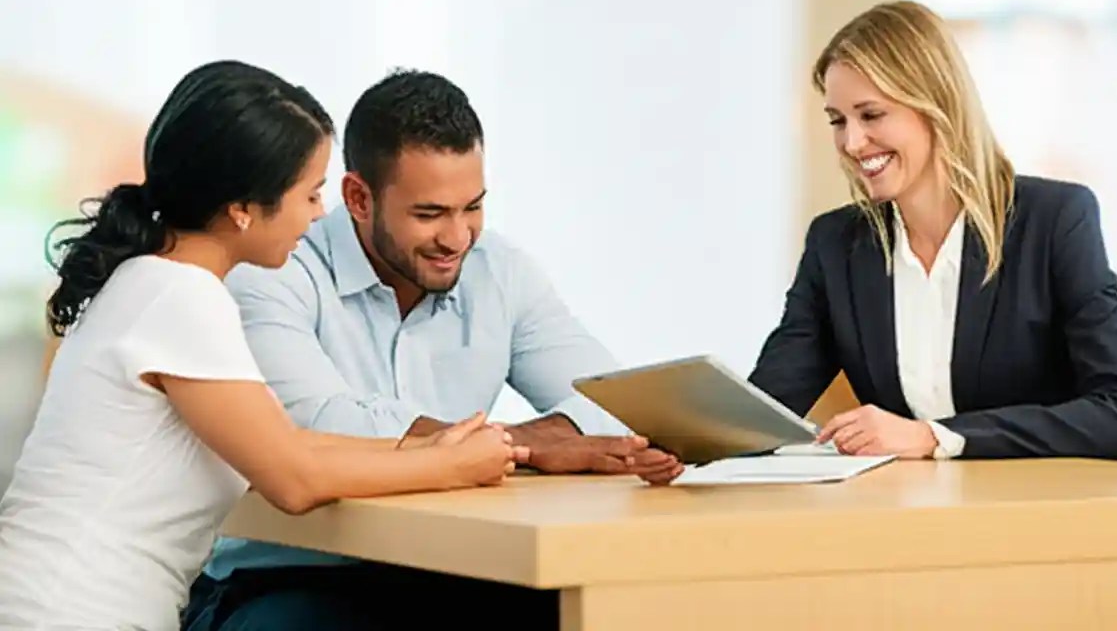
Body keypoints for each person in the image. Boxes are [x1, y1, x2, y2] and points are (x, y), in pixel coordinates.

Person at [0, 61, 523, 631]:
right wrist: (448, 465)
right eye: (310, 194)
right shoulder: (180, 297)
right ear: (242, 208)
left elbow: (284, 444)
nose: (319, 215)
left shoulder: (157, 283)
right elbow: (292, 479)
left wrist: (433, 449)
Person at [183, 69, 682, 630]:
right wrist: (520, 446)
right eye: (429, 214)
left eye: (472, 207)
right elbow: (311, 422)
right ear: (358, 198)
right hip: (286, 577)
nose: (459, 237)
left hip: (451, 574)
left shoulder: (500, 272)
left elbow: (615, 400)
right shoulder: (275, 268)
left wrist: (551, 438)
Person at [747, 0, 1117, 460]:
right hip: (908, 516)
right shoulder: (837, 245)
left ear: (936, 103)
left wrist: (932, 437)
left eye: (872, 115)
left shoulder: (1054, 220)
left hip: (1035, 512)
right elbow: (762, 413)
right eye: (838, 121)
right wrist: (673, 447)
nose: (852, 142)